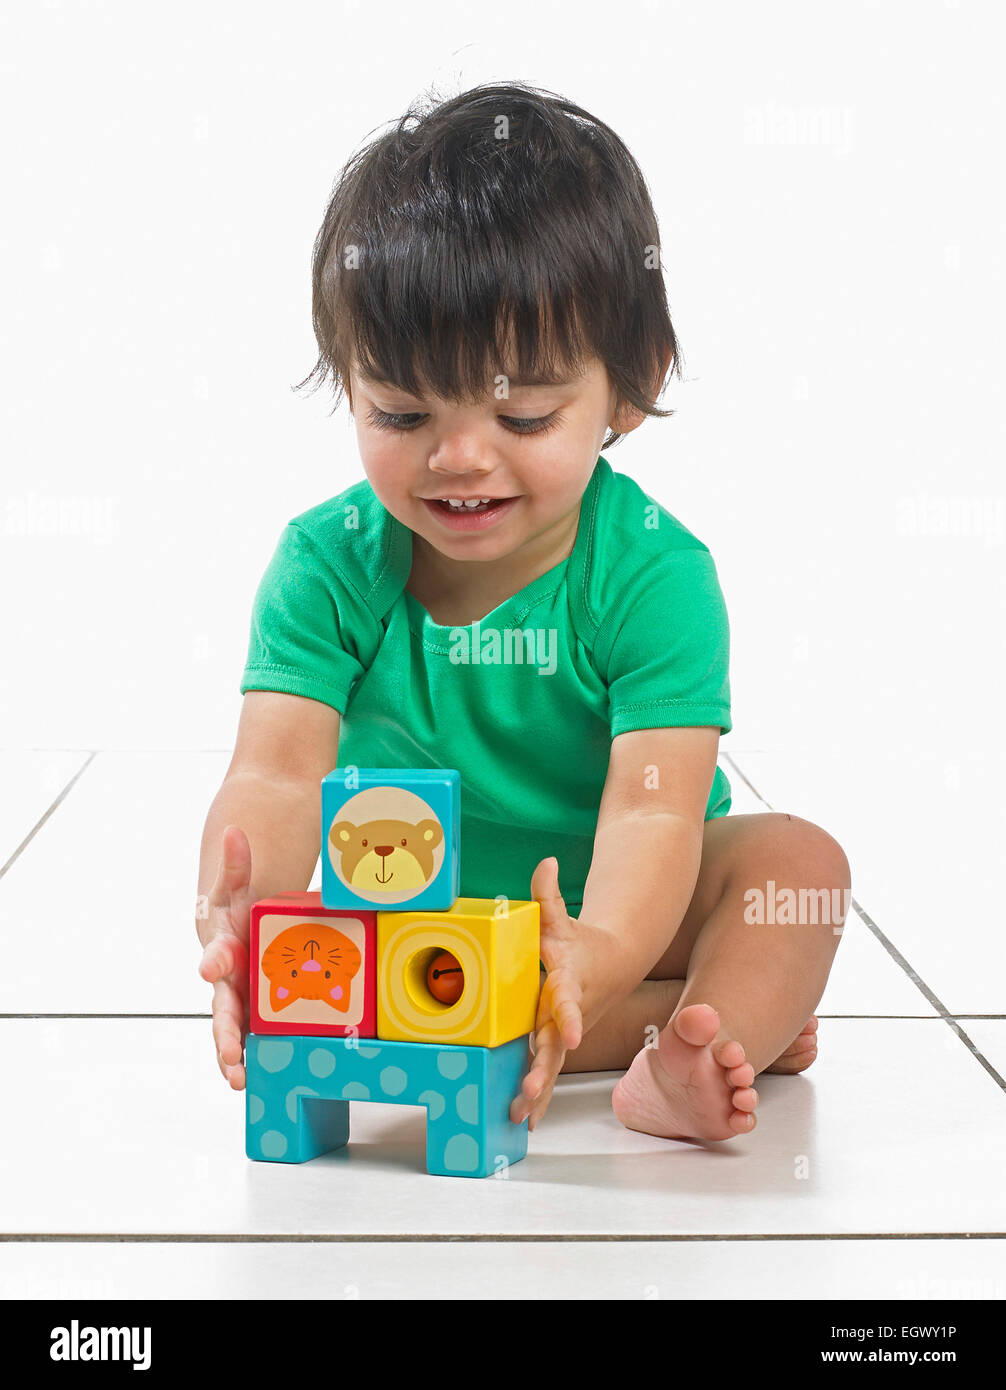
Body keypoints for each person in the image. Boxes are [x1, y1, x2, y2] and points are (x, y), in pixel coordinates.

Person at [196, 81, 849, 1144]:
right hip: (412, 912)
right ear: (349, 389)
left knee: (800, 871)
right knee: (346, 943)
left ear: (628, 391)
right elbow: (272, 773)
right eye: (402, 412)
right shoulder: (327, 563)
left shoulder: (652, 573)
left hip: (609, 901)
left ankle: (654, 1041)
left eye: (523, 413)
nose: (459, 456)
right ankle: (695, 1023)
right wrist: (242, 912)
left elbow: (652, 813)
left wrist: (592, 951)